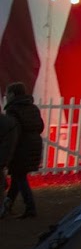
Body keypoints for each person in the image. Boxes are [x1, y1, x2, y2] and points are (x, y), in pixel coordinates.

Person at [3, 82, 44, 218]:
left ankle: (30, 207)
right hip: (34, 145)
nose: (5, 96)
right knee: (18, 176)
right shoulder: (32, 108)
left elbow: (13, 131)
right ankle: (7, 205)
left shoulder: (13, 110)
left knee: (19, 176)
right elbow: (40, 126)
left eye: (7, 93)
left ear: (13, 94)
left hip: (21, 147)